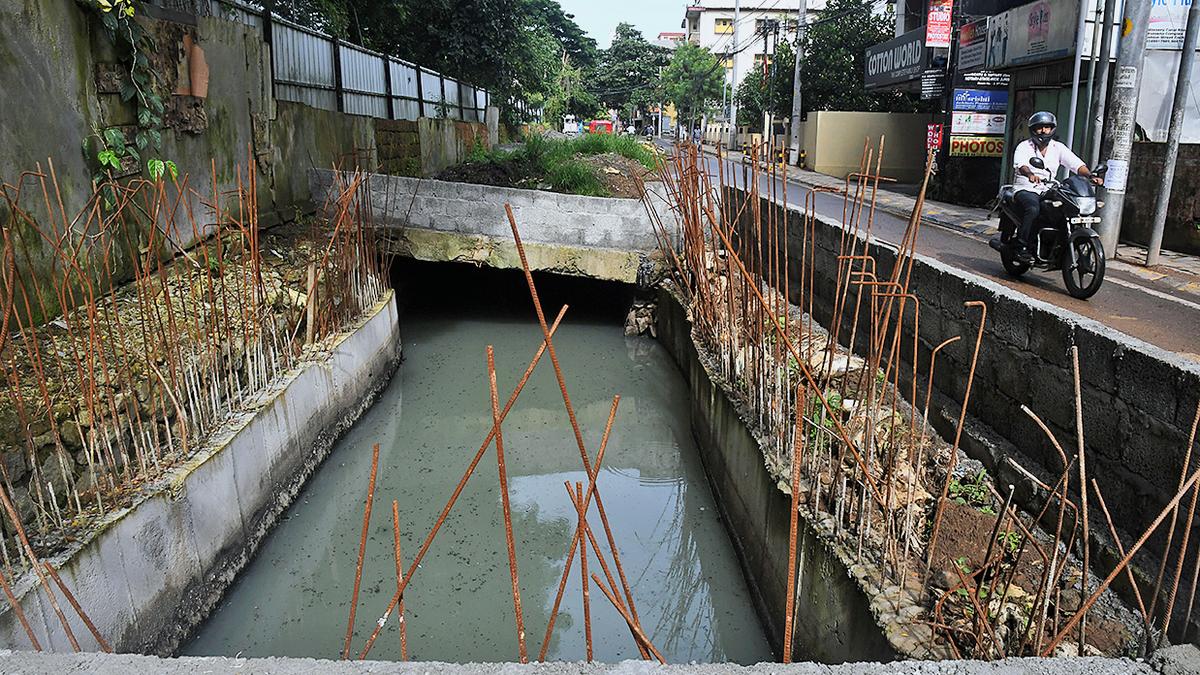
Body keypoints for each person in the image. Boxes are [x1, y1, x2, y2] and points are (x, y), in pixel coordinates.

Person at [1010, 111, 1103, 264]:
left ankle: (1059, 244)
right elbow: (1021, 165)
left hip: (1048, 188)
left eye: (1047, 127)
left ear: (1052, 129)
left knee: (1066, 208)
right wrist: (1030, 174)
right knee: (1033, 209)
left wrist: (1090, 175)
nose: (1044, 131)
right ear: (1033, 129)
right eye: (1040, 127)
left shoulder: (1057, 147)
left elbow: (1076, 164)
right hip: (1026, 187)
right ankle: (1022, 246)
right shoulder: (1024, 146)